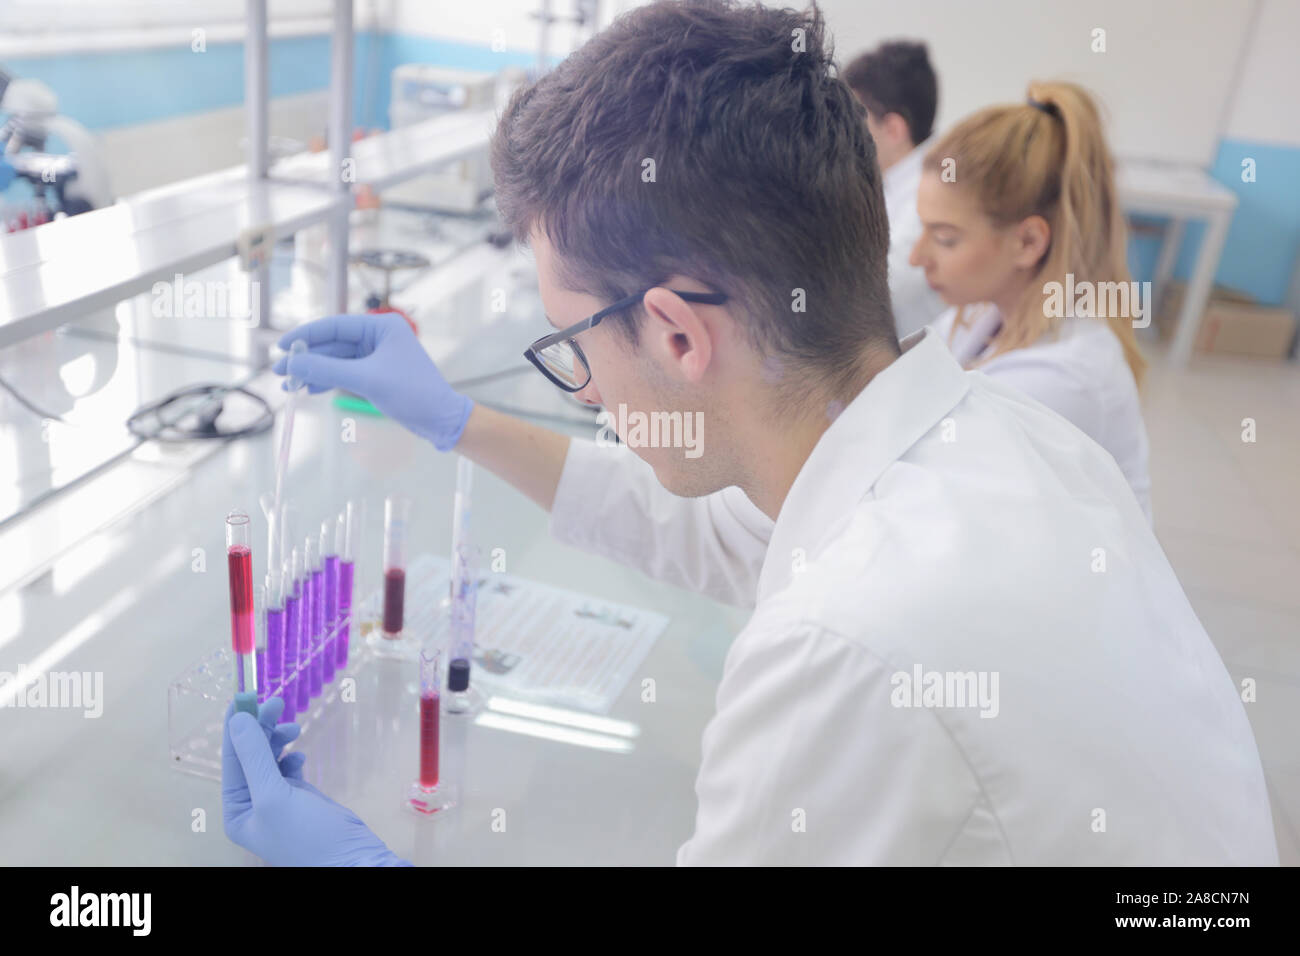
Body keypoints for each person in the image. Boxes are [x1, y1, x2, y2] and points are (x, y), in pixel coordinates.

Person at [223, 0, 1275, 866]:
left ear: (679, 334)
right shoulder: (997, 435)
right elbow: (724, 526)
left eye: (573, 345)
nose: (586, 390)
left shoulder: (844, 648)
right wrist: (458, 418)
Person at [911, 82, 1153, 522]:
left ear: (1027, 242)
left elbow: (920, 481)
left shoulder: (1062, 380)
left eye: (945, 238)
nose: (917, 257)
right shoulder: (987, 312)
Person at [842, 40, 947, 340]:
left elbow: (877, 293)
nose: (842, 133)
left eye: (852, 120)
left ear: (893, 130)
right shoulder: (889, 183)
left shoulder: (934, 196)